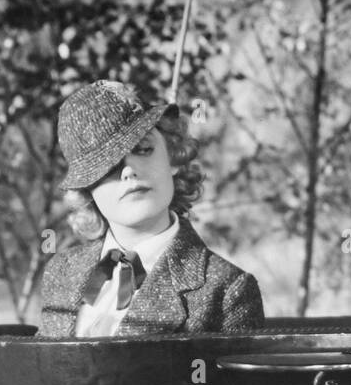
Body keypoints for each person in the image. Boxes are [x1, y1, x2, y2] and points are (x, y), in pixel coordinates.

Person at [38, 80, 264, 338]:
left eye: (144, 149)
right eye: (107, 166)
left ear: (173, 158)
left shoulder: (226, 291)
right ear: (87, 190)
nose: (129, 171)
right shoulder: (61, 271)